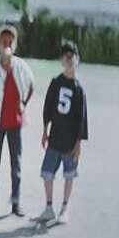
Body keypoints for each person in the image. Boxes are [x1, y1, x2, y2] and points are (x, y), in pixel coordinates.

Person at [0, 24, 34, 221]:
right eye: (3, 41)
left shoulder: (21, 66)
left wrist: (23, 104)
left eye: (10, 41)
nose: (7, 44)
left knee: (16, 164)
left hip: (16, 124)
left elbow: (31, 85)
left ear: (15, 44)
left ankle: (15, 202)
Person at [38, 40, 88, 225]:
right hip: (55, 137)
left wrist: (78, 143)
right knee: (47, 172)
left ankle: (65, 207)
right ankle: (49, 207)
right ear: (61, 60)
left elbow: (82, 119)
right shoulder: (56, 82)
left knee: (69, 174)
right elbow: (47, 108)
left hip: (70, 141)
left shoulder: (78, 89)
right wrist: (44, 131)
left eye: (71, 56)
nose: (68, 60)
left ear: (77, 60)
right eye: (65, 57)